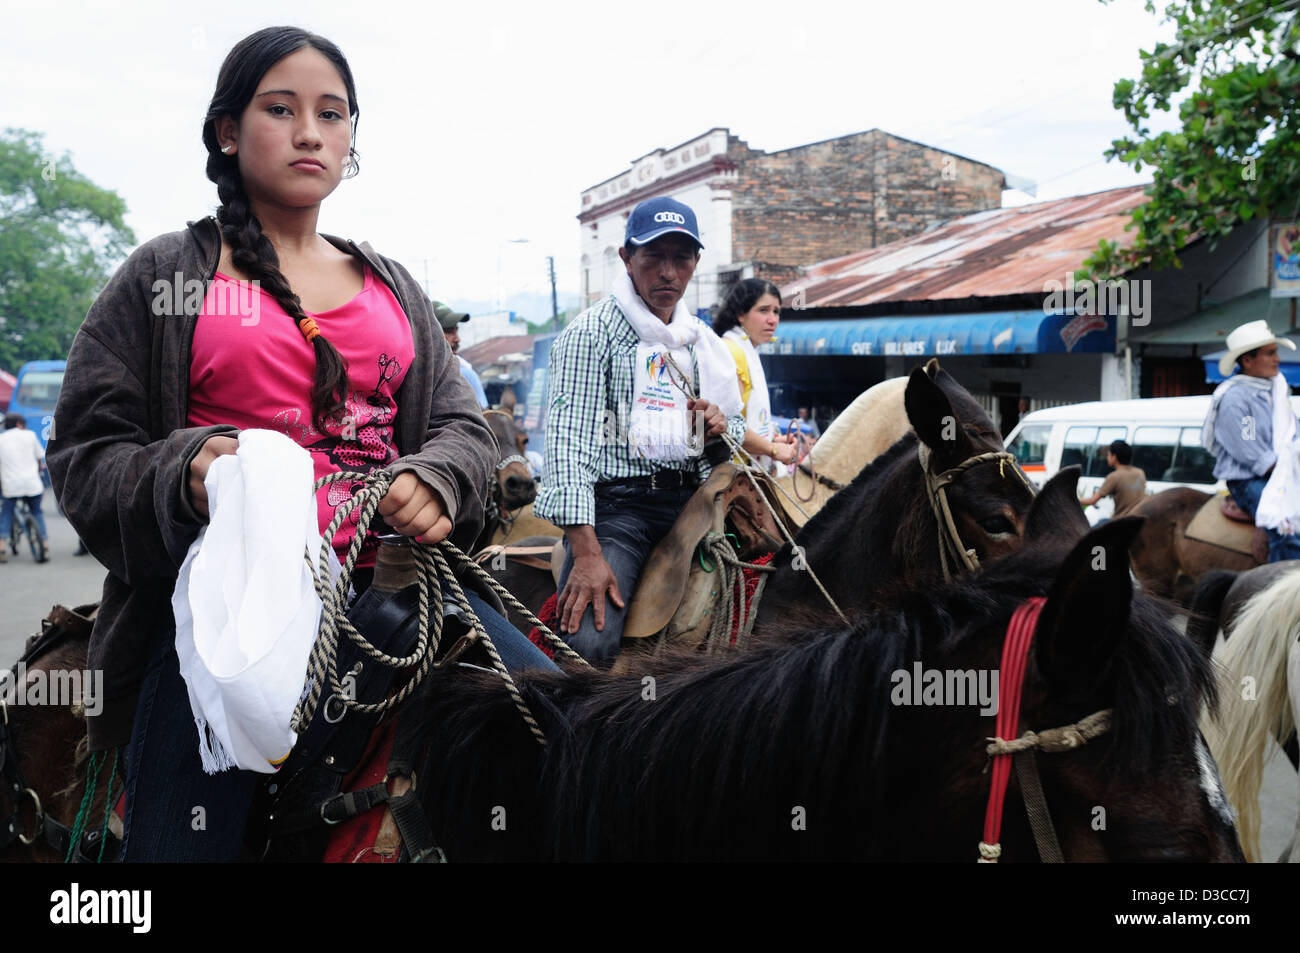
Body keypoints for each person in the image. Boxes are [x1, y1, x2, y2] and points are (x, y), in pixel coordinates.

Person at [47, 26, 555, 863]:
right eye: (280, 110)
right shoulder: (164, 275)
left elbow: (465, 424)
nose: (310, 132)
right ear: (226, 131)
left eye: (332, 113)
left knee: (578, 732)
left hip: (401, 594)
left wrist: (438, 476)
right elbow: (87, 451)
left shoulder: (393, 284)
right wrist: (184, 472)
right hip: (220, 625)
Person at [535, 196, 745, 664]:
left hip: (696, 501)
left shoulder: (700, 340)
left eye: (681, 257)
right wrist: (587, 554)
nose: (668, 272)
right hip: (619, 512)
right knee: (590, 642)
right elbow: (569, 445)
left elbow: (738, 424)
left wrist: (719, 426)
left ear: (695, 263)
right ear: (627, 259)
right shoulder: (592, 335)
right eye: (654, 256)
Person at [1202, 319, 1300, 561]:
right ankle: (1282, 589)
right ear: (1247, 360)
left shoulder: (1277, 392)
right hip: (1249, 479)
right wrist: (1283, 470)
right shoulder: (1236, 399)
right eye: (1270, 353)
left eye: (1275, 352)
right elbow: (1248, 449)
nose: (1277, 358)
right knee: (1284, 526)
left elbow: (1293, 433)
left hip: (1282, 475)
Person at [712, 279, 797, 471]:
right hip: (732, 476)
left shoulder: (747, 350)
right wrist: (773, 449)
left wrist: (773, 439)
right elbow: (725, 425)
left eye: (776, 311)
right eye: (763, 310)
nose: (772, 319)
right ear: (741, 314)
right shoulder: (730, 351)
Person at [0, 413, 49, 563]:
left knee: (6, 513)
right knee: (37, 512)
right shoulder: (30, 435)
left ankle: (1, 548)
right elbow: (40, 458)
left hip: (10, 485)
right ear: (19, 424)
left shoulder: (1, 439)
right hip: (32, 483)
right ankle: (45, 545)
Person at [434, 300, 489, 408]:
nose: (457, 339)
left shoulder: (465, 374)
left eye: (456, 331)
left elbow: (485, 417)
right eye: (449, 331)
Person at [1078, 439, 1146, 518]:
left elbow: (1092, 501)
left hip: (1121, 521)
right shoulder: (1140, 473)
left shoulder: (1114, 477)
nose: (1107, 457)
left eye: (1109, 455)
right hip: (1139, 520)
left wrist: (1071, 500)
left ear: (1114, 457)